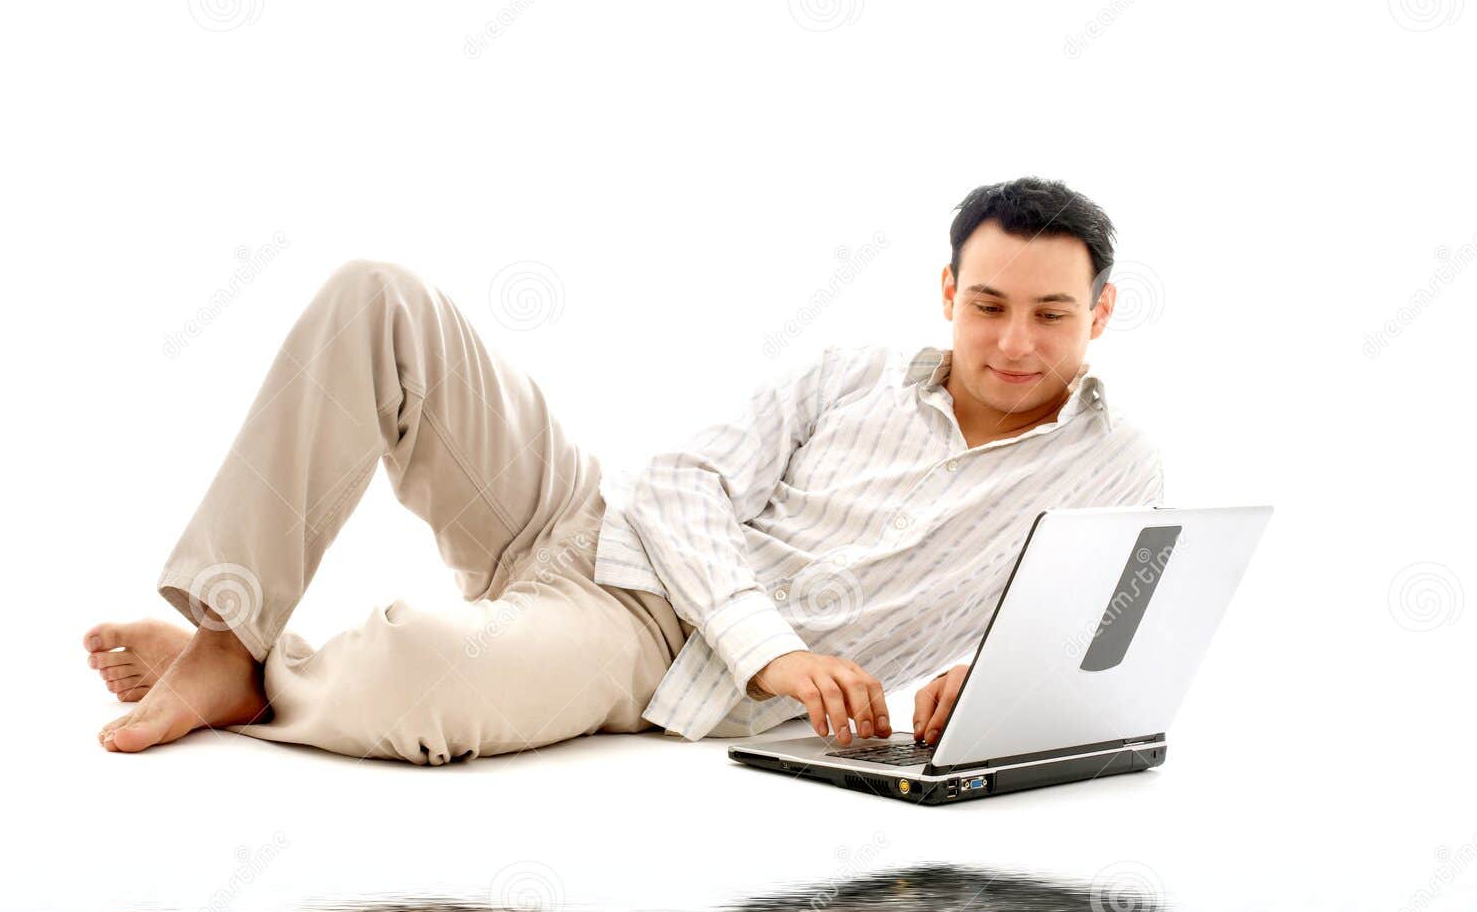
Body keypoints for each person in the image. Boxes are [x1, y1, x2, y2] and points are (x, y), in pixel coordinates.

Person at [86, 175, 1162, 762]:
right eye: (988, 305)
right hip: (581, 520)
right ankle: (229, 640)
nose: (1012, 341)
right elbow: (683, 484)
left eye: (1049, 315)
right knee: (378, 295)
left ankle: (274, 667)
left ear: (1100, 315)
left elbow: (1073, 646)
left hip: (648, 645)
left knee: (417, 673)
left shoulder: (1112, 466)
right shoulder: (851, 374)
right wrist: (778, 650)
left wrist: (988, 683)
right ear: (946, 292)